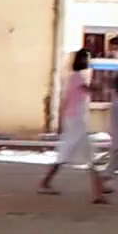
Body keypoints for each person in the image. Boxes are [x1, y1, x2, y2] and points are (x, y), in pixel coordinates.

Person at [42, 48, 106, 202]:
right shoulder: (77, 77)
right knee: (77, 154)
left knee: (81, 154)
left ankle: (98, 193)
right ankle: (97, 194)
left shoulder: (74, 77)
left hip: (75, 120)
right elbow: (90, 90)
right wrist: (100, 83)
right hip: (76, 121)